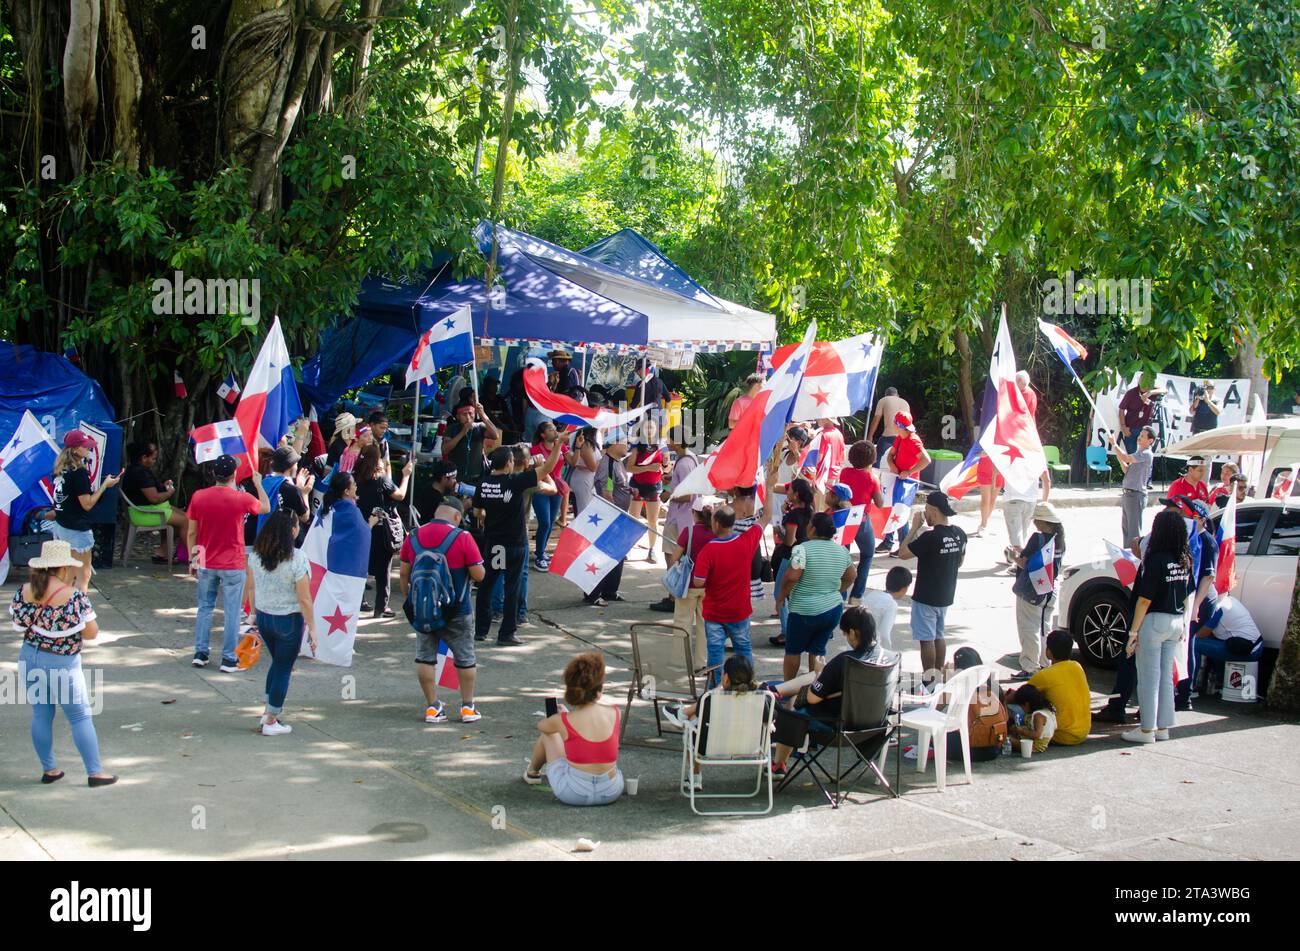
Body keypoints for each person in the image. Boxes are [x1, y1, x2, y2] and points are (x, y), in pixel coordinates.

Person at [10, 540, 117, 786]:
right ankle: (95, 772)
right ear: (64, 568)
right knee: (79, 716)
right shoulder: (74, 597)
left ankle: (49, 770)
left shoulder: (25, 590)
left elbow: (18, 626)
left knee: (41, 714)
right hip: (62, 662)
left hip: (29, 657)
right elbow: (91, 633)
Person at [771, 606, 897, 773]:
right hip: (874, 727)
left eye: (845, 634)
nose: (846, 638)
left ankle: (778, 765)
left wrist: (819, 673)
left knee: (792, 708)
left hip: (837, 727)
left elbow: (812, 698)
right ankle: (778, 691)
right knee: (798, 698)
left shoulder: (844, 660)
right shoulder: (891, 657)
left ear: (852, 632)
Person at [399, 501, 485, 724]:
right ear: (457, 517)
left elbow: (403, 573)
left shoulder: (414, 536)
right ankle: (467, 707)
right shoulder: (463, 537)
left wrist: (411, 602)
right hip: (458, 610)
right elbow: (479, 575)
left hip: (424, 609)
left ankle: (432, 707)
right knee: (465, 657)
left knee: (425, 657)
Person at [187, 455, 269, 670]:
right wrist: (258, 484)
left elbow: (191, 532)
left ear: (214, 474)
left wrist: (193, 559)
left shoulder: (198, 496)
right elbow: (265, 508)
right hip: (232, 562)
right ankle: (228, 658)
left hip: (205, 560)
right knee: (232, 612)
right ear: (233, 475)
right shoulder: (241, 498)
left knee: (205, 607)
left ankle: (200, 652)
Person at [474, 440, 559, 645]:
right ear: (509, 463)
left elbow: (478, 512)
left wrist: (491, 514)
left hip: (495, 544)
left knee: (488, 584)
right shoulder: (515, 481)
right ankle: (506, 634)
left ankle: (480, 630)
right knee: (513, 587)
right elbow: (547, 468)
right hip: (515, 544)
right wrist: (558, 446)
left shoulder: (483, 483)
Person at [244, 510, 317, 735]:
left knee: (277, 664)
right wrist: (313, 628)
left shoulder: (255, 555)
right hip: (289, 620)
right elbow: (304, 598)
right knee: (284, 667)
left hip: (264, 616)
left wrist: (253, 614)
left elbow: (251, 587)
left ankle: (267, 712)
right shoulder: (297, 558)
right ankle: (271, 719)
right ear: (292, 531)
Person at [1124, 510, 1194, 743]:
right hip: (1175, 621)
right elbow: (1186, 595)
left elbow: (1144, 599)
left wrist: (1133, 633)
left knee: (1148, 677)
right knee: (1165, 677)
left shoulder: (1155, 559)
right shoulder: (1185, 558)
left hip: (1154, 622)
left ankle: (1146, 730)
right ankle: (1163, 727)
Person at [525, 652, 624, 806]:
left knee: (549, 735)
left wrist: (560, 719)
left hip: (573, 793)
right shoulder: (615, 712)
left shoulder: (563, 720)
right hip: (611, 791)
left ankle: (532, 772)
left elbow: (542, 726)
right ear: (598, 692)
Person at [663, 654, 763, 790]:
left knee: (692, 722)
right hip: (750, 748)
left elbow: (703, 712)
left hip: (711, 748)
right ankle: (682, 713)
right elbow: (771, 716)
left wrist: (719, 689)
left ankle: (695, 776)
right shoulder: (762, 699)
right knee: (695, 718)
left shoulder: (711, 700)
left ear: (726, 678)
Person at [897, 490, 966, 687]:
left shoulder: (930, 537)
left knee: (926, 639)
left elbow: (902, 553)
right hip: (946, 593)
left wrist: (913, 528)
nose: (925, 515)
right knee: (939, 635)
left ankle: (929, 679)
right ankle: (937, 676)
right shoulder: (959, 534)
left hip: (926, 595)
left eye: (926, 511)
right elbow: (960, 561)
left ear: (933, 511)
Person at [776, 512, 856, 681]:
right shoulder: (841, 550)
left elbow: (792, 577)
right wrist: (837, 590)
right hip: (832, 610)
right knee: (817, 650)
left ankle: (788, 690)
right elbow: (851, 575)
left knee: (793, 650)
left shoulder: (802, 549)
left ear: (812, 528)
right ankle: (814, 689)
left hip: (804, 610)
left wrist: (781, 597)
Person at [691, 504, 765, 679]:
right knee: (743, 648)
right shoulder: (746, 541)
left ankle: (715, 689)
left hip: (715, 613)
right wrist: (769, 488)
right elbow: (766, 517)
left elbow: (698, 581)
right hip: (739, 611)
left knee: (715, 653)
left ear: (716, 523)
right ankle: (748, 683)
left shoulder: (708, 550)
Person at [51, 431, 121, 592]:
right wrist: (105, 486)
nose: (88, 450)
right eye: (85, 447)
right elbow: (87, 504)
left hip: (61, 526)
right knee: (83, 576)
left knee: (68, 573)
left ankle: (62, 607)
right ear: (76, 449)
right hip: (76, 528)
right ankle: (79, 611)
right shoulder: (79, 472)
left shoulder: (59, 469)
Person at [354, 443, 413, 618]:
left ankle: (359, 600)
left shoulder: (354, 478)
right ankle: (381, 606)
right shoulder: (381, 480)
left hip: (361, 527)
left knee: (361, 566)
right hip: (381, 530)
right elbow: (400, 495)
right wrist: (406, 476)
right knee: (383, 570)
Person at [1009, 502, 1066, 678]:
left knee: (1029, 627)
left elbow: (1025, 563)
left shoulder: (1037, 538)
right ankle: (1043, 661)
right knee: (1044, 627)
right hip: (1050, 588)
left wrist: (1012, 556)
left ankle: (1029, 666)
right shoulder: (1059, 540)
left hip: (1033, 589)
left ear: (1042, 521)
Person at [665, 496, 718, 664]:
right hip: (709, 586)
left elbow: (674, 556)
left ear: (695, 514)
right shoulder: (715, 534)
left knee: (682, 622)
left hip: (688, 584)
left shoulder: (688, 531)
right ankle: (701, 662)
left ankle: (679, 661)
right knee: (704, 626)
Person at [1017, 630, 1091, 746]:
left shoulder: (1045, 675)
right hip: (1083, 732)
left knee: (1017, 708)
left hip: (1062, 735)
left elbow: (1020, 695)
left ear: (1048, 652)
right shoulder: (1077, 666)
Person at [122, 440, 190, 562]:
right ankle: (195, 558)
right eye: (153, 458)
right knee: (185, 522)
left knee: (183, 515)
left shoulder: (135, 469)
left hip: (145, 509)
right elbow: (154, 498)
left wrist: (163, 487)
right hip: (144, 513)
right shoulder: (141, 473)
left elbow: (149, 491)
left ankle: (162, 553)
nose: (155, 460)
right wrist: (169, 492)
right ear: (144, 458)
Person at [586, 437, 633, 607]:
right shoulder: (608, 464)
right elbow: (607, 493)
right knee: (602, 555)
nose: (627, 445)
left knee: (617, 555)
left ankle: (610, 591)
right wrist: (615, 516)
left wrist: (629, 490)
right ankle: (593, 593)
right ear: (614, 444)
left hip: (618, 517)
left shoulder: (617, 462)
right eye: (624, 442)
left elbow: (616, 485)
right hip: (609, 517)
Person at [837, 441, 884, 604]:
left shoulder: (845, 473)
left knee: (844, 556)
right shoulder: (872, 478)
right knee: (867, 555)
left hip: (844, 517)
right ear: (872, 459)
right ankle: (856, 595)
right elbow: (880, 503)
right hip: (862, 520)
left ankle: (841, 593)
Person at [242, 446, 312, 553]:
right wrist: (304, 492)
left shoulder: (260, 483)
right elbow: (304, 517)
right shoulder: (290, 489)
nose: (297, 466)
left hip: (252, 541)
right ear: (291, 466)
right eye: (296, 463)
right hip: (276, 546)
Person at [770, 477, 815, 644]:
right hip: (806, 555)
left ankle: (787, 631)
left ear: (796, 495)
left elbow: (789, 540)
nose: (786, 492)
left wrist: (779, 531)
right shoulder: (810, 511)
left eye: (789, 490)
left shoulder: (793, 515)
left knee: (780, 594)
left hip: (790, 557)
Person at [878, 413, 931, 554]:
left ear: (899, 425)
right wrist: (892, 465)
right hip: (896, 478)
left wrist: (908, 472)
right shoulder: (901, 438)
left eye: (895, 423)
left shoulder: (913, 440)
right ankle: (888, 542)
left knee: (900, 512)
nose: (893, 426)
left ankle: (904, 546)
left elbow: (926, 460)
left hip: (908, 482)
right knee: (890, 509)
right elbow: (891, 455)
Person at [1191, 594, 1263, 694]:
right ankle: (1219, 683)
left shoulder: (1217, 606)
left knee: (1193, 643)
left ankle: (1190, 687)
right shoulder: (1230, 599)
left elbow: (1202, 633)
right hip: (1255, 646)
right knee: (1214, 644)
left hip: (1246, 650)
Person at [626, 416, 668, 562]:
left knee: (652, 521)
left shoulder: (662, 447)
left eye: (652, 427)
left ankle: (651, 550)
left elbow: (667, 467)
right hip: (637, 486)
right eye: (646, 427)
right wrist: (648, 467)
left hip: (654, 487)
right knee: (633, 519)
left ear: (657, 429)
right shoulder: (637, 446)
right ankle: (628, 548)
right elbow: (629, 467)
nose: (649, 430)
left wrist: (666, 467)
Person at [529, 420, 567, 571]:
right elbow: (535, 469)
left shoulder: (561, 446)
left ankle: (542, 551)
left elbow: (573, 461)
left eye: (554, 428)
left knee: (550, 522)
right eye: (551, 429)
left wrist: (577, 446)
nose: (555, 431)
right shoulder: (536, 449)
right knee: (544, 522)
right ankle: (539, 555)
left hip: (557, 487)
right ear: (543, 435)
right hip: (541, 488)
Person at [443, 395, 500, 489]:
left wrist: (483, 415)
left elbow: (495, 435)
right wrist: (462, 433)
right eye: (464, 414)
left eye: (471, 413)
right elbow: (445, 449)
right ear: (458, 416)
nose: (468, 417)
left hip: (476, 478)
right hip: (456, 479)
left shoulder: (480, 427)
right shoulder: (452, 429)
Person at [1112, 425, 1155, 546]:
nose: (1139, 437)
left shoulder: (1146, 454)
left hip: (1136, 495)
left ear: (1150, 440)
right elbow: (1126, 469)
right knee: (1126, 530)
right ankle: (1127, 556)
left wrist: (1115, 445)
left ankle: (1134, 559)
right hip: (1128, 495)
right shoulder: (1139, 453)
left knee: (1133, 532)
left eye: (1142, 436)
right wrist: (1119, 455)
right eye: (1139, 435)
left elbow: (1126, 457)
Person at [863, 565, 911, 651]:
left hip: (856, 645)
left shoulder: (872, 594)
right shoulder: (891, 604)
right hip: (871, 649)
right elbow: (884, 633)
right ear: (905, 589)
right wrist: (887, 652)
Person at [1008, 684, 1057, 753]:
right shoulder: (1046, 710)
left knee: (1008, 739)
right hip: (1036, 742)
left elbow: (1037, 734)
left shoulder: (1038, 715)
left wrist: (1022, 731)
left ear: (1026, 704)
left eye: (1021, 706)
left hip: (1034, 746)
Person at [566, 426, 602, 518]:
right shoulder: (586, 444)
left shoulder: (590, 443)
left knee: (589, 509)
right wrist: (602, 459)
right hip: (583, 480)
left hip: (587, 478)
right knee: (584, 510)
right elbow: (593, 467)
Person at [867, 386, 910, 462]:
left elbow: (876, 419)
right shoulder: (905, 402)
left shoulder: (883, 400)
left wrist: (870, 436)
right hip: (904, 437)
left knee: (876, 456)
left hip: (888, 436)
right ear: (897, 395)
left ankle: (874, 472)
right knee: (900, 460)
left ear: (886, 395)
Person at [1118, 380, 1157, 453]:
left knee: (1143, 454)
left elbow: (1165, 390)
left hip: (1145, 430)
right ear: (1139, 381)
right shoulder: (1131, 393)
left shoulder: (1153, 391)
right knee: (1131, 454)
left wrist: (1150, 392)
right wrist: (1123, 427)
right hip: (1131, 429)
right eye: (1142, 380)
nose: (1143, 383)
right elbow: (1121, 409)